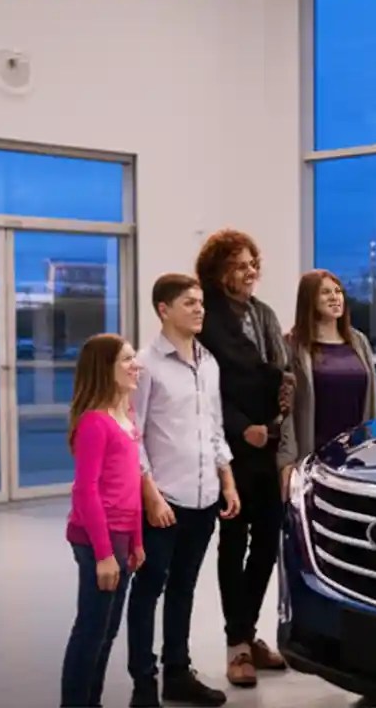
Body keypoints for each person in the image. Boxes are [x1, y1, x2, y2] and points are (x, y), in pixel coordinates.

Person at [125, 273, 240, 708]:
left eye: (201, 303)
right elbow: (132, 436)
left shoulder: (208, 363)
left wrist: (226, 479)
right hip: (164, 499)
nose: (199, 309)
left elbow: (213, 427)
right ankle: (143, 683)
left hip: (204, 497)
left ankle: (177, 672)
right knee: (149, 587)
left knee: (185, 587)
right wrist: (150, 495)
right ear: (163, 309)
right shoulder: (145, 365)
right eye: (189, 303)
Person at [194, 228, 296, 688]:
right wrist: (242, 428)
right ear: (219, 272)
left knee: (269, 540)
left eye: (253, 262)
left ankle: (247, 632)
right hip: (229, 449)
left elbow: (277, 371)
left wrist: (284, 397)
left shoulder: (264, 313)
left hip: (269, 443)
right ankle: (237, 646)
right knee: (233, 544)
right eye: (239, 264)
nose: (250, 271)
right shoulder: (208, 319)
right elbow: (208, 391)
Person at [60, 334, 145, 708]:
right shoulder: (95, 423)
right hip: (99, 537)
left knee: (107, 630)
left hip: (123, 535)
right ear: (105, 370)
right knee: (91, 629)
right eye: (126, 360)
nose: (135, 366)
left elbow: (131, 486)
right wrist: (104, 554)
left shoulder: (126, 417)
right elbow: (86, 491)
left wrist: (138, 541)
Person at [281, 269, 376, 498]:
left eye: (338, 291)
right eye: (325, 292)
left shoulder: (358, 342)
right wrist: (287, 461)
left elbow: (371, 401)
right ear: (309, 300)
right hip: (313, 455)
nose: (335, 297)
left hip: (355, 456)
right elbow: (285, 411)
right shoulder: (293, 345)